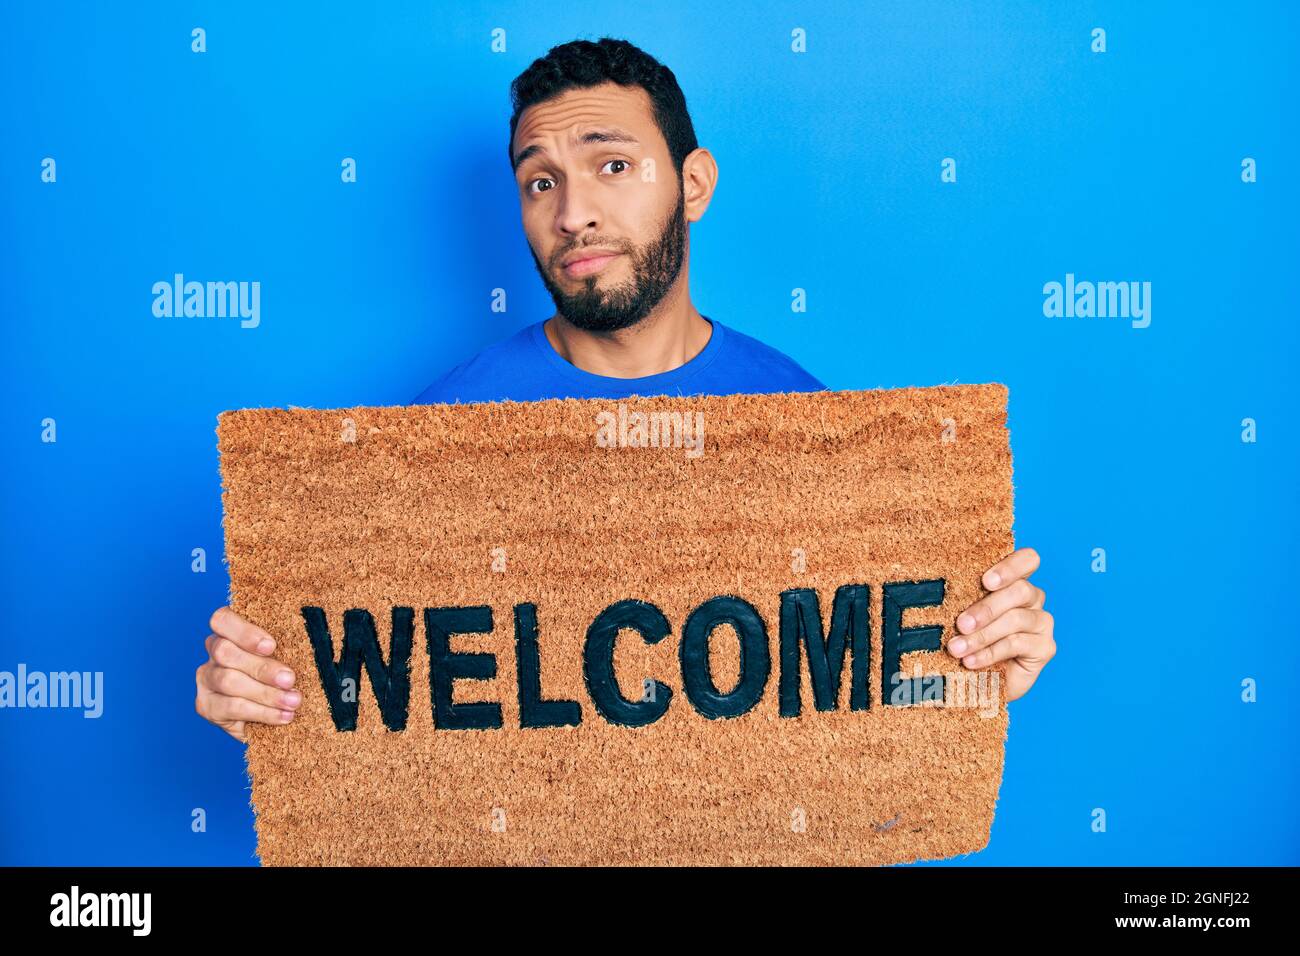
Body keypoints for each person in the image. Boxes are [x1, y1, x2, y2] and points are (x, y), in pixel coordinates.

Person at [196, 37, 1055, 743]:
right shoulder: (433, 439)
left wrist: (973, 674)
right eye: (541, 182)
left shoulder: (808, 427)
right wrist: (267, 696)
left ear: (693, 185)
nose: (572, 214)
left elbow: (842, 696)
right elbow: (377, 698)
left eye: (611, 166)